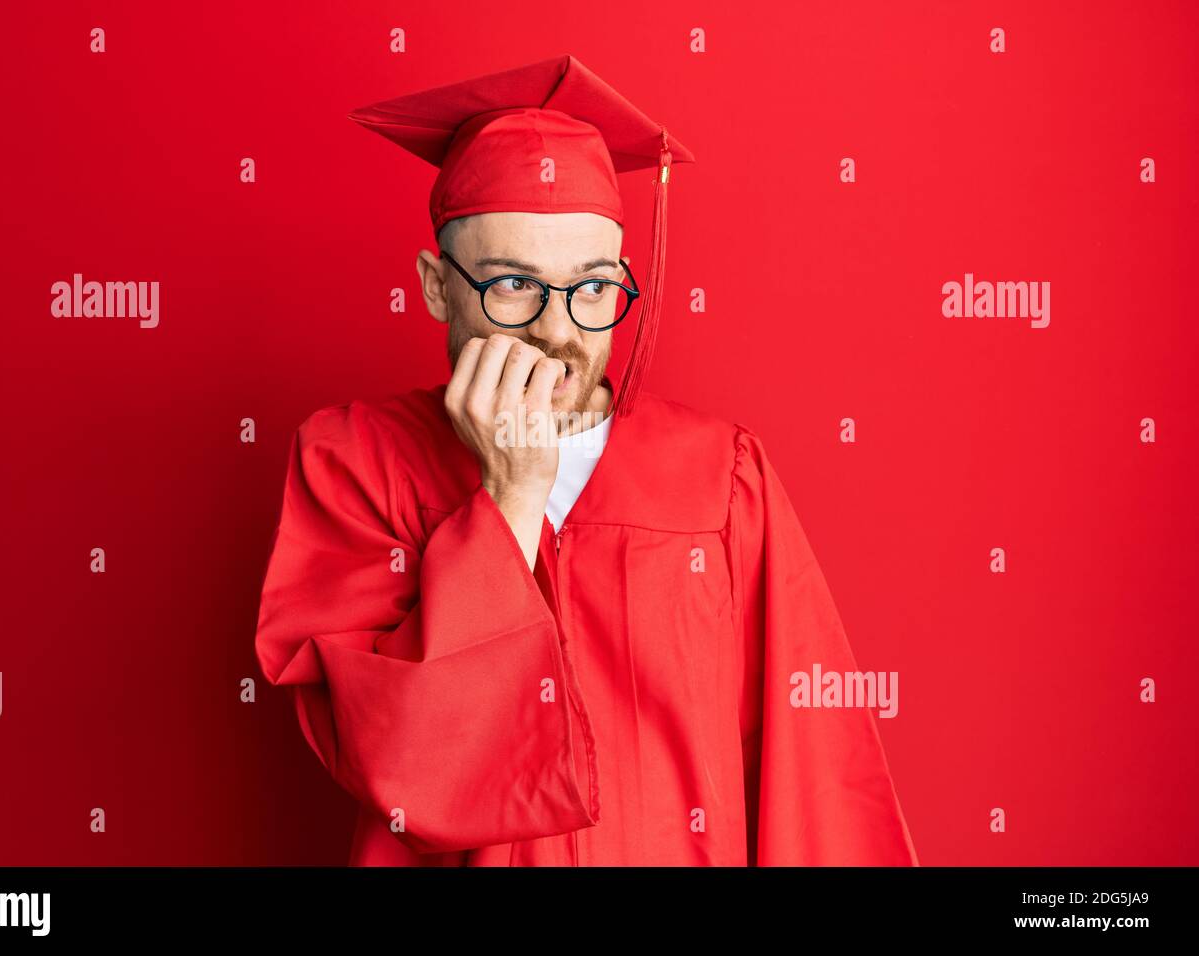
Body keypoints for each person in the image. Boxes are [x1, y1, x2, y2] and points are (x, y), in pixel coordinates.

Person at [253, 54, 919, 866]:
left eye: (593, 288)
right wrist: (509, 496)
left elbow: (812, 767)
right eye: (512, 285)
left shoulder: (720, 477)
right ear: (436, 285)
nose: (559, 332)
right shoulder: (354, 464)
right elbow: (398, 765)